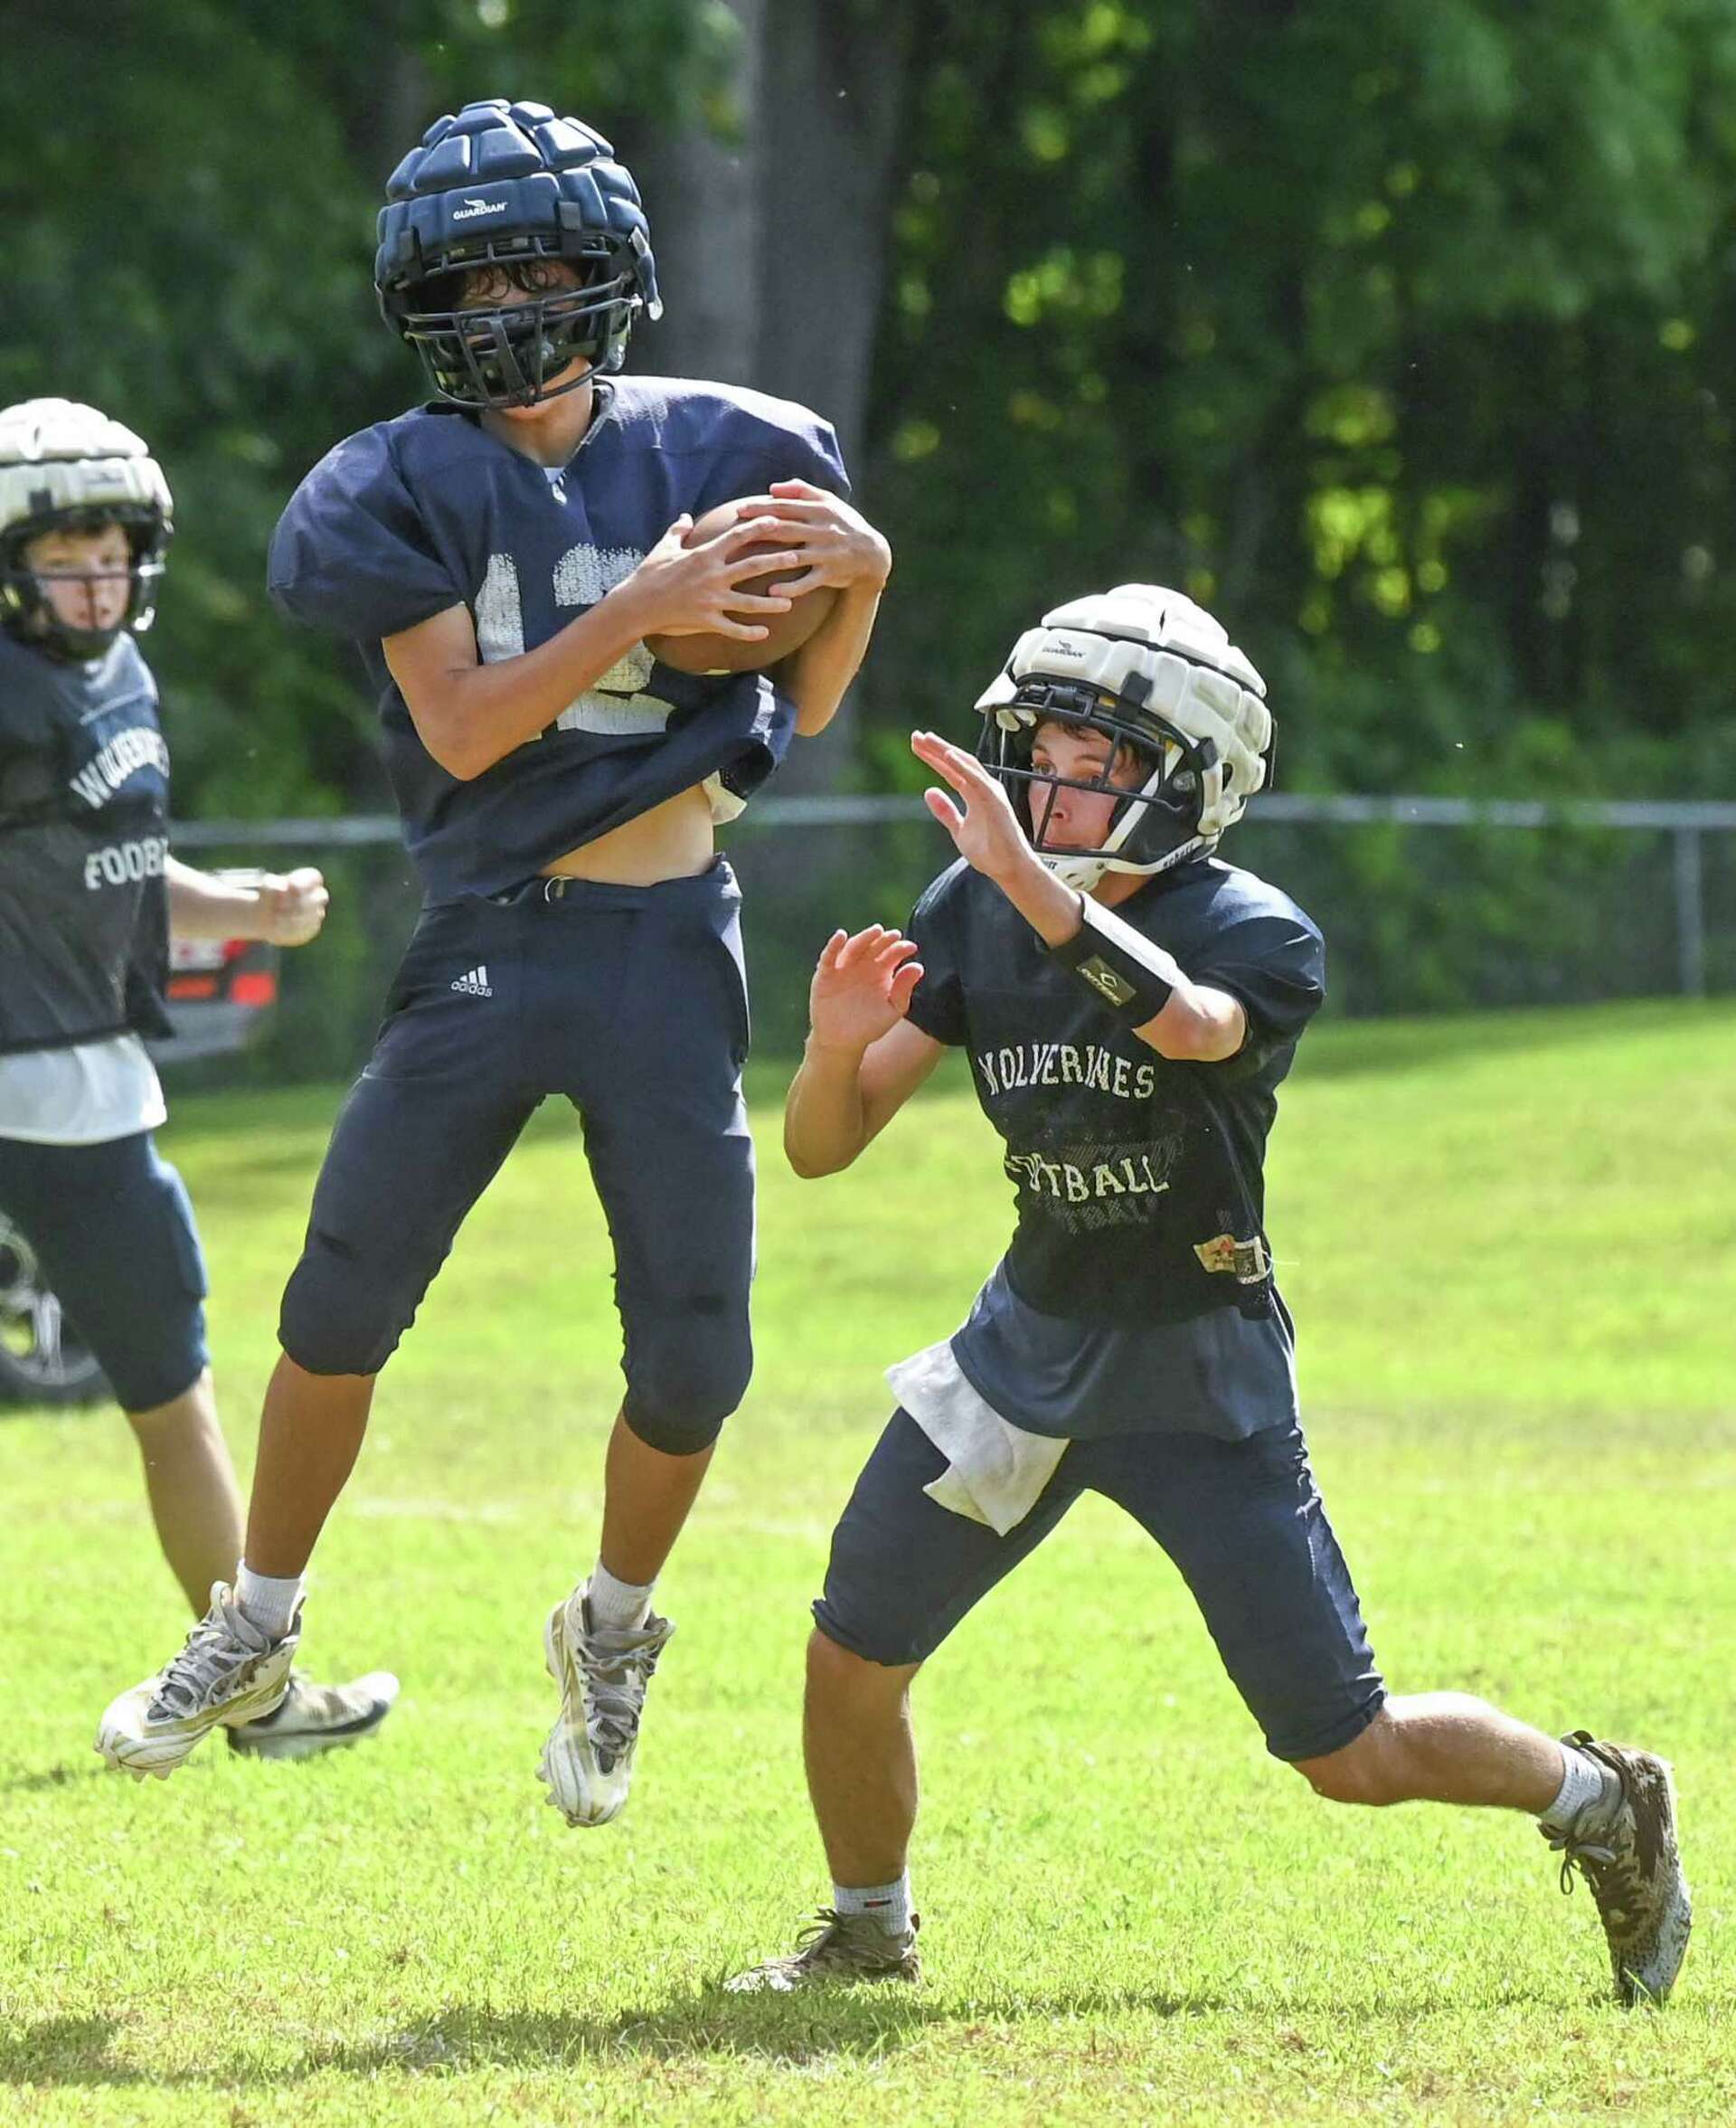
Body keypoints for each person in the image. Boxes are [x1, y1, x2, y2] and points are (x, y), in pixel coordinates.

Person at [97, 99, 892, 1823]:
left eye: (540, 265)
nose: (510, 304)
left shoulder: (733, 445)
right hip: (490, 933)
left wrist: (866, 585)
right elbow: (461, 732)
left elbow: (806, 712)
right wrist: (639, 610)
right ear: (417, 300)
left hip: (670, 936)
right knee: (342, 1287)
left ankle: (607, 1638)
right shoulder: (393, 478)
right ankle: (255, 1619)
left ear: (612, 275)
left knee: (696, 1353)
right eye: (472, 275)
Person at [729, 583, 1690, 2007]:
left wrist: (1035, 892)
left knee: (1345, 1752)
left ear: (1180, 774)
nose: (1041, 772)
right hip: (1025, 1357)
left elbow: (1191, 1022)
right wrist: (829, 1048)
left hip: (1198, 1377)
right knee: (850, 1651)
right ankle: (869, 1925)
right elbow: (823, 1146)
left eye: (1085, 748)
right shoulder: (976, 907)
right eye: (1038, 738)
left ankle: (1603, 1794)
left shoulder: (1257, 927)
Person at [0, 395, 398, 1765]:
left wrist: (243, 905)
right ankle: (262, 1692)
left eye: (112, 551)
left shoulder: (119, 679)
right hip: (29, 1080)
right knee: (173, 1385)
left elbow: (106, 885)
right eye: (66, 555)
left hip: (88, 1092)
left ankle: (255, 1686)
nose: (96, 579)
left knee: (173, 1384)